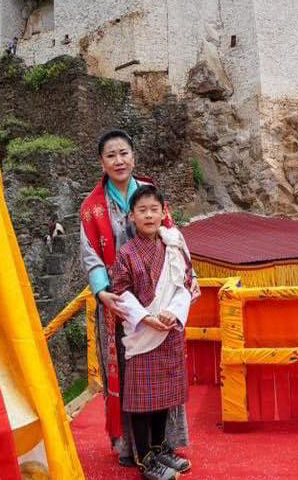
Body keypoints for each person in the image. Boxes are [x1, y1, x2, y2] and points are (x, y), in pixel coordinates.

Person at [79, 129, 199, 468]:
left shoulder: (149, 194)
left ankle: (163, 445)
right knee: (131, 373)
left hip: (161, 297)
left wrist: (183, 282)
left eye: (124, 153)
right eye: (111, 155)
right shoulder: (92, 208)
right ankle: (133, 448)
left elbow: (173, 239)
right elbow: (91, 255)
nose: (119, 161)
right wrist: (104, 293)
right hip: (120, 300)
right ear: (101, 162)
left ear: (133, 156)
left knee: (161, 371)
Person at [109, 186, 194, 480]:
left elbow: (186, 284)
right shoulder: (126, 253)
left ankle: (161, 450)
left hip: (169, 330)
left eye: (153, 209)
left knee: (164, 397)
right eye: (142, 210)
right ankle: (145, 459)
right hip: (143, 333)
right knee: (143, 400)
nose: (148, 215)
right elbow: (120, 292)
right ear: (131, 217)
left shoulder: (174, 246)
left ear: (163, 212)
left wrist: (172, 313)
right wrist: (146, 318)